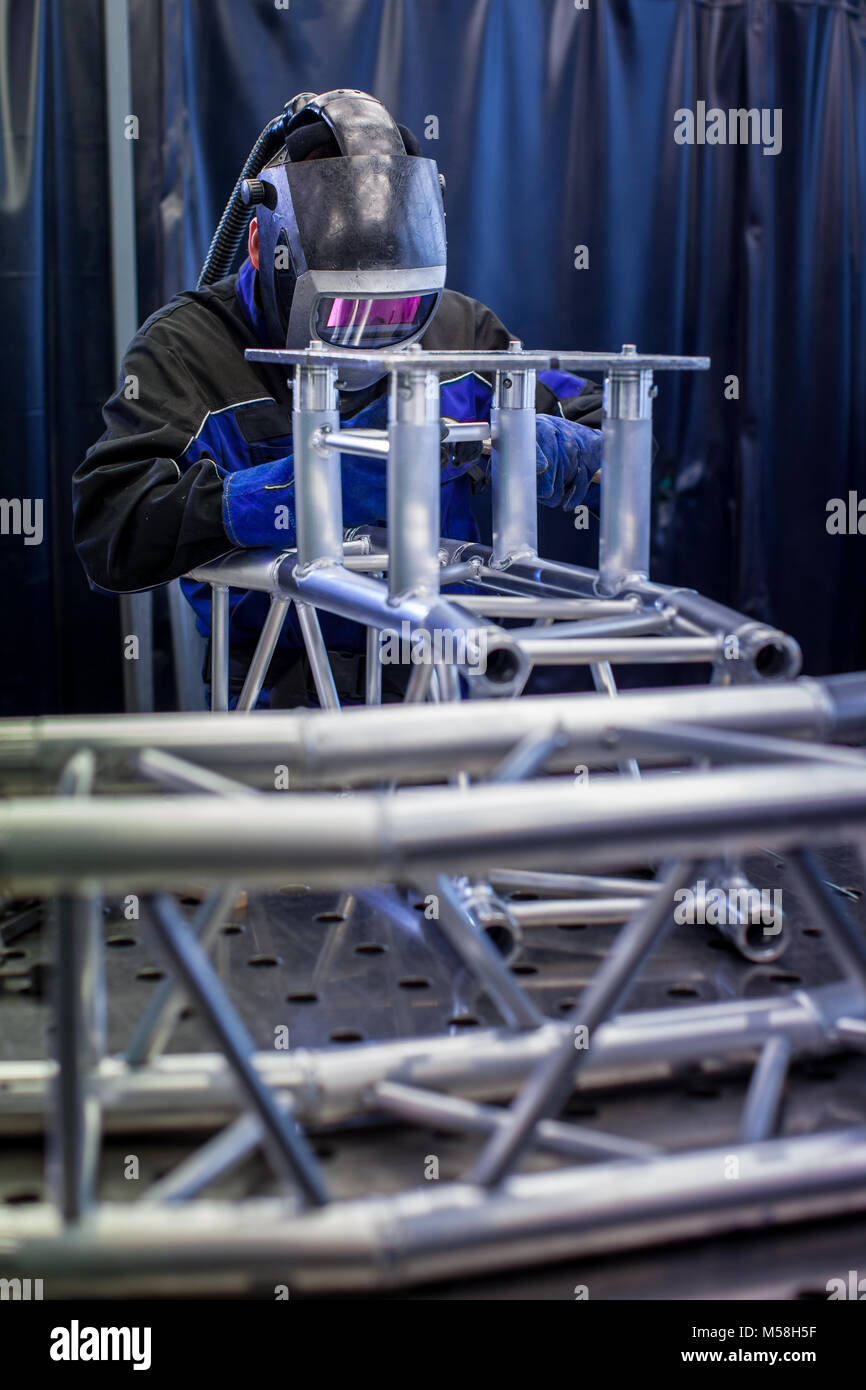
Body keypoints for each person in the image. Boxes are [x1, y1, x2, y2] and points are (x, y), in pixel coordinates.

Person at [73, 89, 603, 706]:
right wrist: (292, 491)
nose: (373, 345)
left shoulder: (460, 335)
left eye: (402, 311)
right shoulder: (187, 352)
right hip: (277, 691)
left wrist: (556, 447)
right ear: (259, 247)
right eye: (347, 313)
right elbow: (111, 530)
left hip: (438, 678)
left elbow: (606, 431)